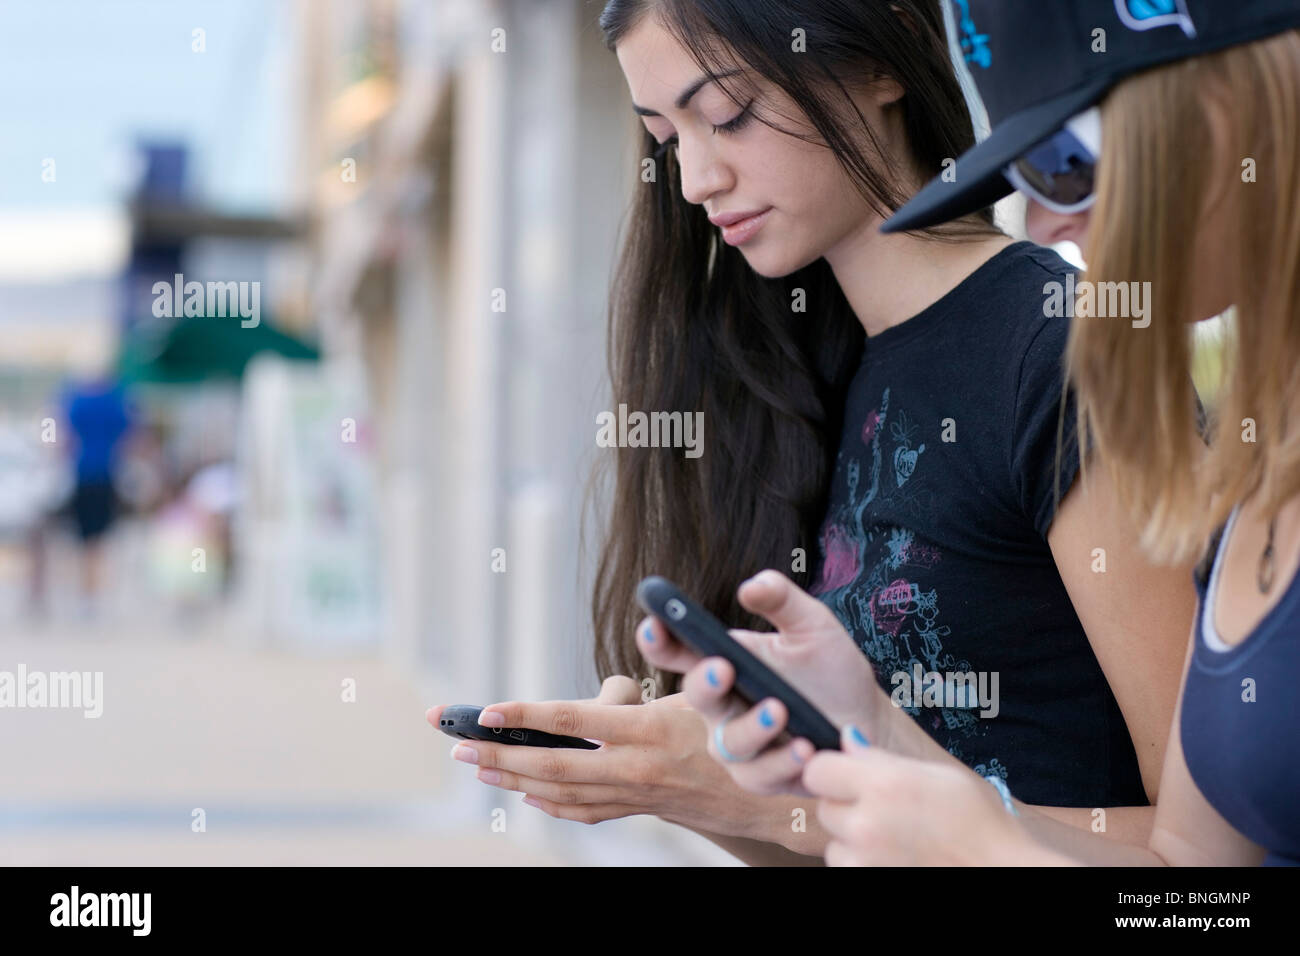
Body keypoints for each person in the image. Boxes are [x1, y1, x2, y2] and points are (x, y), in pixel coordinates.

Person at [427, 0, 1195, 864]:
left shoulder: (1058, 350)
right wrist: (694, 785)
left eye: (728, 114)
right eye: (668, 139)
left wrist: (779, 806)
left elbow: (1201, 873)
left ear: (883, 60)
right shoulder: (784, 369)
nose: (695, 180)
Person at [647, 0, 1300, 866]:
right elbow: (1198, 888)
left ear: (1224, 104)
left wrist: (977, 850)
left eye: (1066, 164)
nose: (1041, 224)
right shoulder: (1265, 474)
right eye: (1023, 174)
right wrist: (867, 740)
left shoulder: (1044, 348)